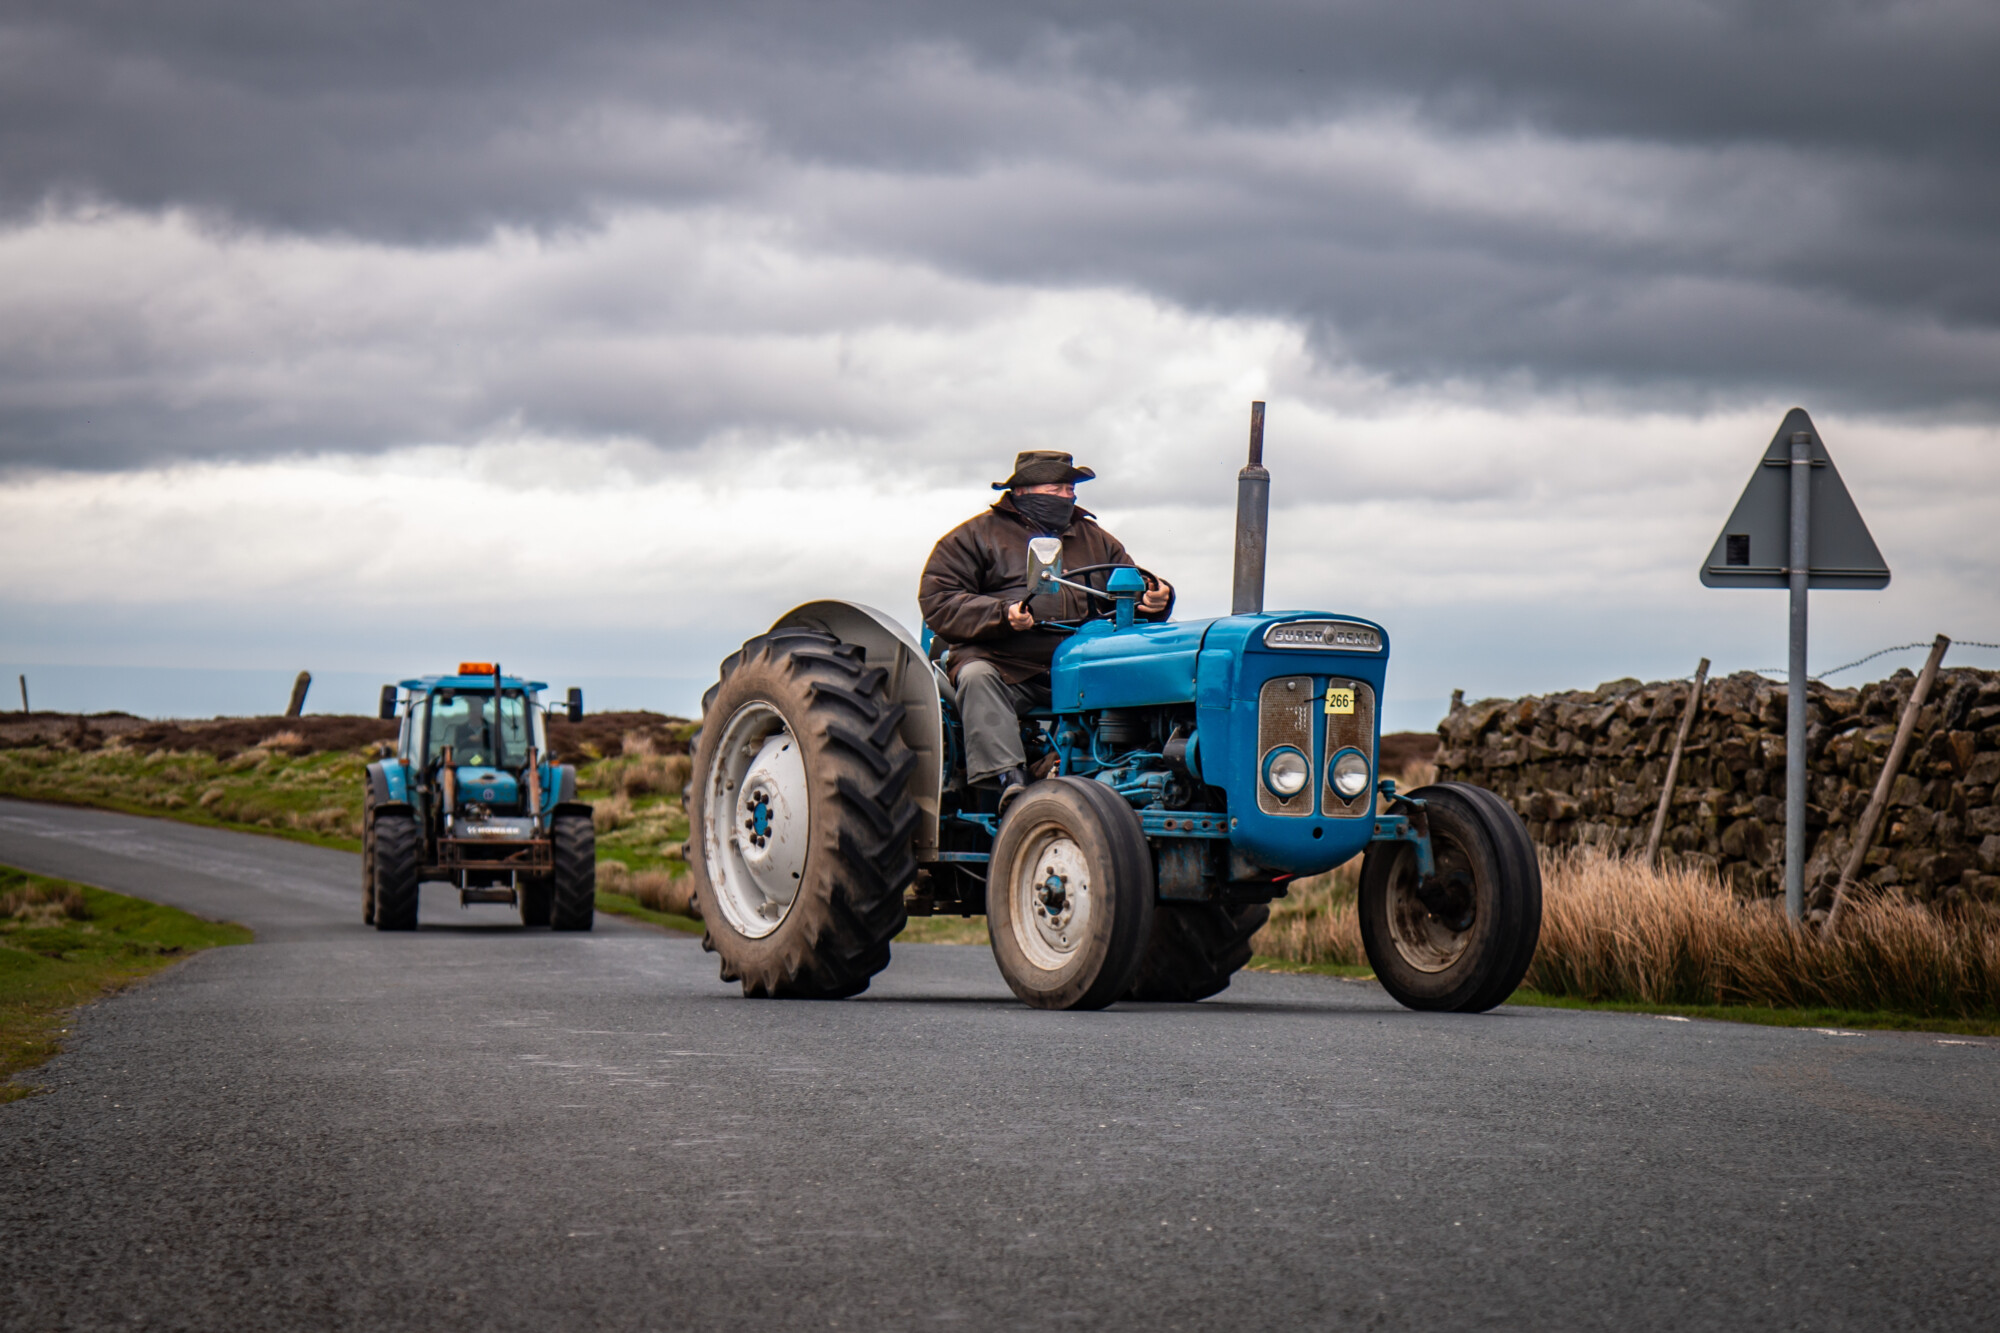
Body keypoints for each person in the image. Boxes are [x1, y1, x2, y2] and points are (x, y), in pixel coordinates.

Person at [919, 450, 1173, 807]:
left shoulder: (1095, 538)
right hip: (1008, 666)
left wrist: (1156, 596)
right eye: (1057, 489)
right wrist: (1002, 614)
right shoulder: (974, 536)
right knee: (977, 676)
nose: (1068, 497)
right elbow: (939, 600)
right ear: (1023, 492)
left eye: (1070, 490)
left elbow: (1130, 584)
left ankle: (1136, 773)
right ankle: (1010, 781)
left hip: (1079, 666)